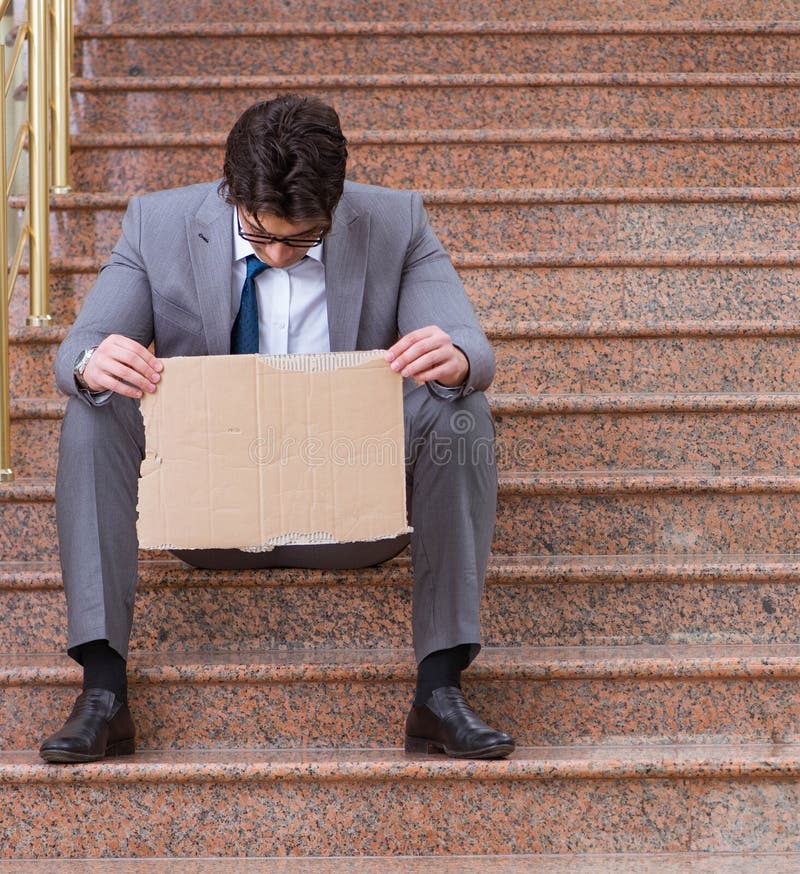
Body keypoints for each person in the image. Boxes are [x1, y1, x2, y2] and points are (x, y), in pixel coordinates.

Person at [39, 94, 514, 763]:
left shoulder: (396, 220)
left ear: (336, 204)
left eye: (302, 239)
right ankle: (102, 694)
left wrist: (457, 357)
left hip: (352, 514)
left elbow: (472, 346)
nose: (281, 256)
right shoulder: (157, 223)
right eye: (259, 236)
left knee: (459, 411)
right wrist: (92, 362)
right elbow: (75, 348)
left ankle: (439, 693)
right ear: (230, 194)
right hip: (211, 517)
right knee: (92, 408)